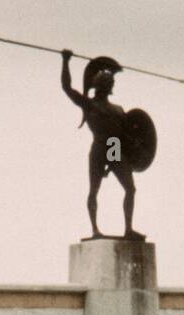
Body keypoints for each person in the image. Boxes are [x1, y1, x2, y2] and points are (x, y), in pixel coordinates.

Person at [61, 49, 145, 241]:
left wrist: (136, 143)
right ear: (101, 86)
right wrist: (65, 61)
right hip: (100, 147)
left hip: (114, 147)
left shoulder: (117, 109)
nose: (111, 85)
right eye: (109, 82)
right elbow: (67, 88)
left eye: (112, 83)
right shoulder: (90, 105)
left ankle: (129, 229)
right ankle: (95, 229)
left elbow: (125, 134)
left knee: (130, 188)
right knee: (94, 189)